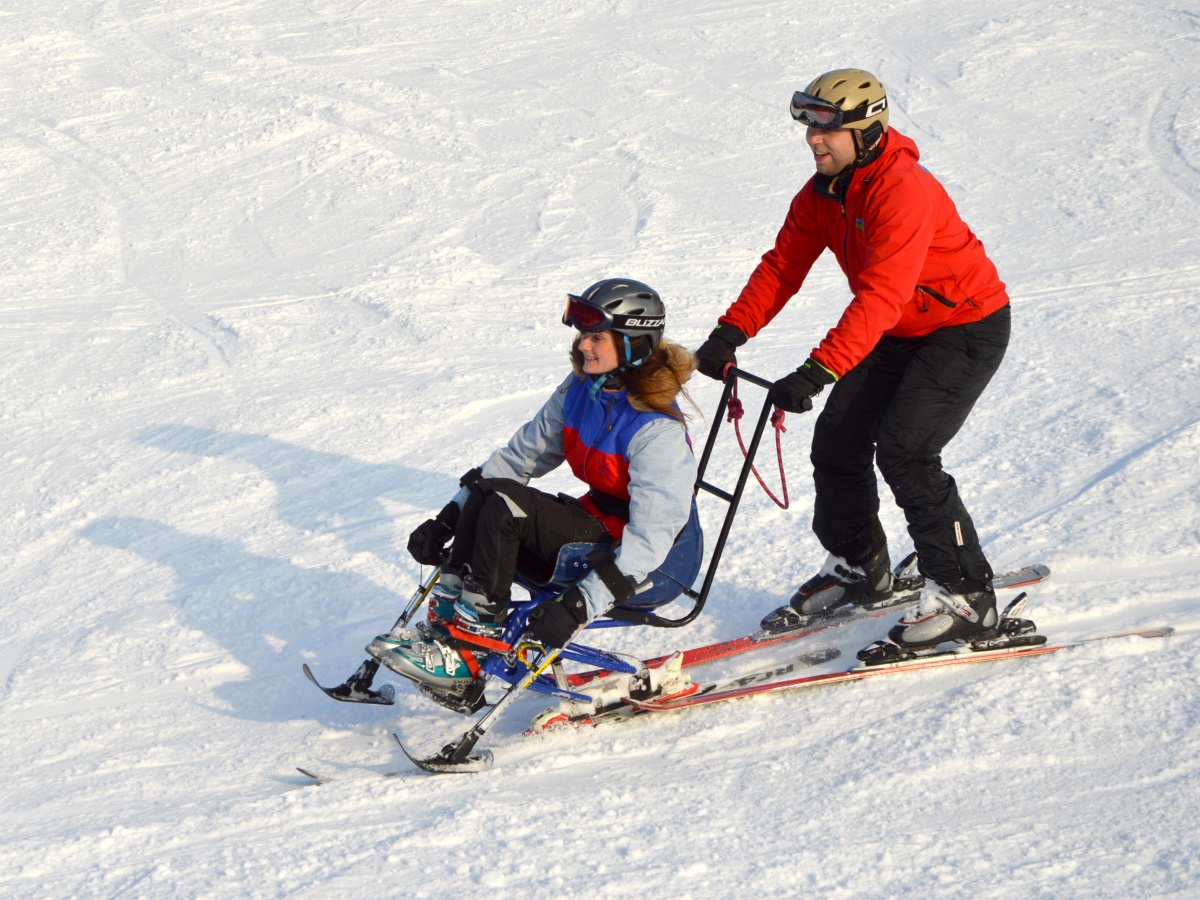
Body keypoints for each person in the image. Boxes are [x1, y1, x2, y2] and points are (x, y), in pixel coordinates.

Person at [695, 69, 1011, 653]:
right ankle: (859, 565)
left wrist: (819, 370)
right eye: (810, 128)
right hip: (896, 328)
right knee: (838, 439)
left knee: (907, 451)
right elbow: (783, 266)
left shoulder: (902, 191)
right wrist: (730, 332)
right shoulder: (825, 191)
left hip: (963, 327)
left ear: (867, 131)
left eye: (829, 130)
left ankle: (968, 595)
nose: (815, 141)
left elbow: (880, 295)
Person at [369, 278, 699, 698]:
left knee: (504, 506)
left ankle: (469, 652)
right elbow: (518, 457)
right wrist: (446, 520)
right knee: (492, 491)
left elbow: (652, 539)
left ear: (632, 343)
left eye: (596, 336)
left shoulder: (657, 432)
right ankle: (447, 629)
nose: (583, 345)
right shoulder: (582, 388)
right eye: (583, 334)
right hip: (600, 523)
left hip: (655, 560)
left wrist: (578, 606)